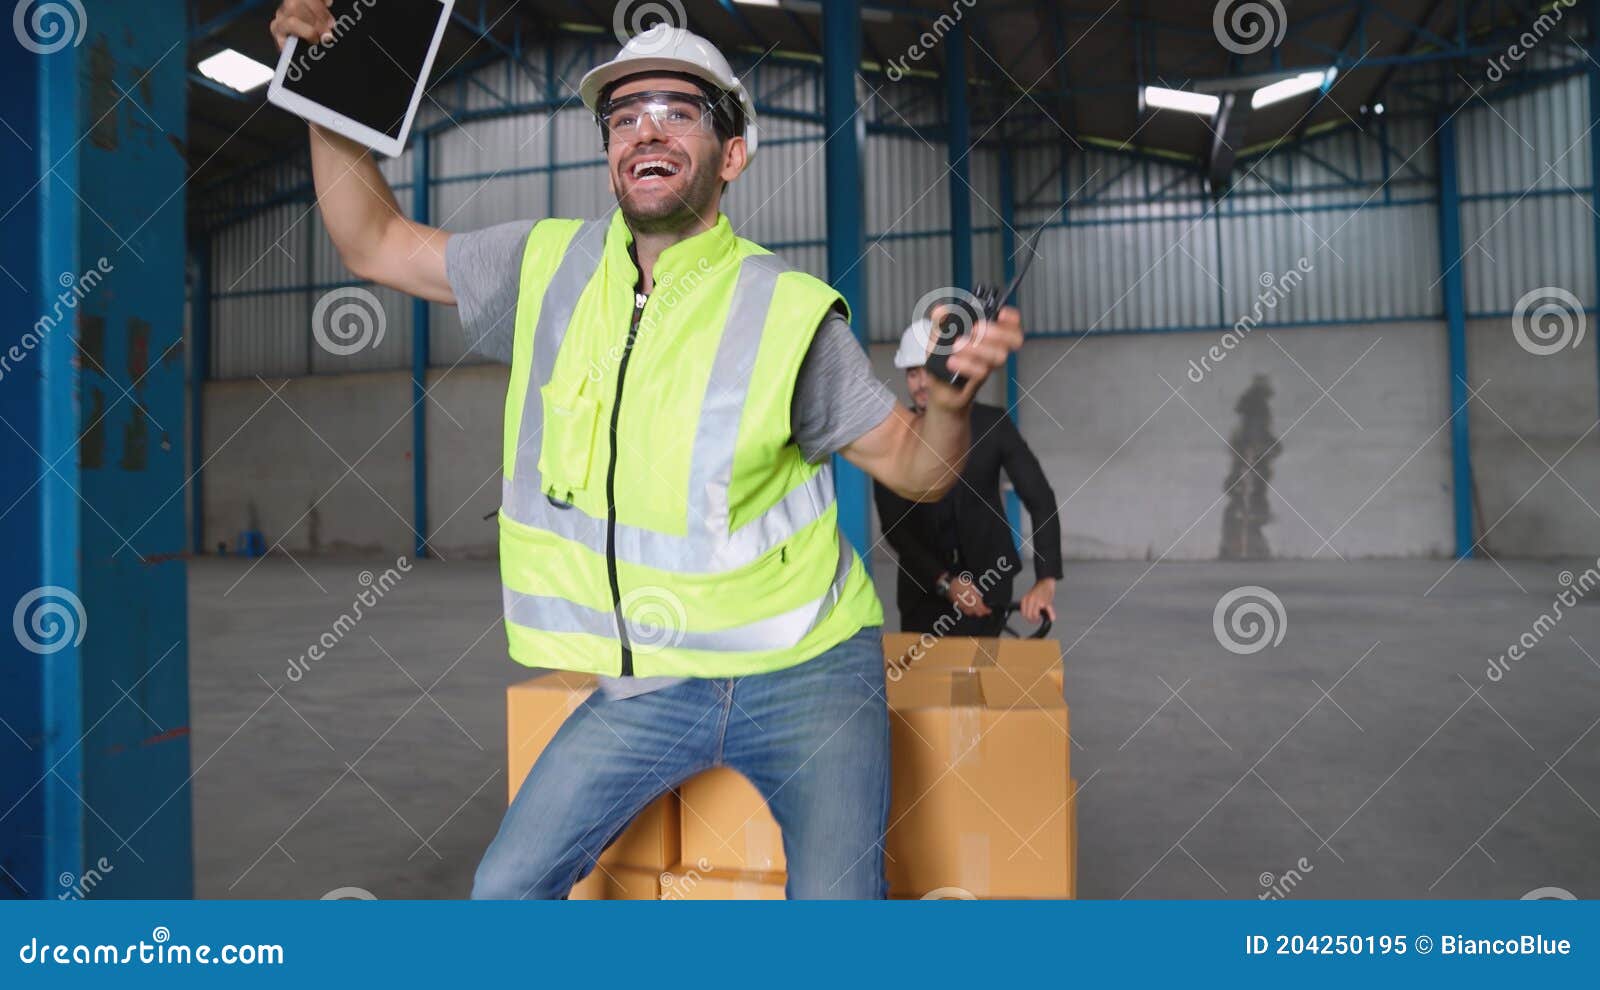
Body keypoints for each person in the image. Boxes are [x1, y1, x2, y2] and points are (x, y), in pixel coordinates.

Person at [270, 6, 1026, 899]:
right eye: (624, 116)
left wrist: (946, 404)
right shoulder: (546, 265)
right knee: (503, 893)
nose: (646, 130)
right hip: (653, 680)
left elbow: (920, 470)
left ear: (730, 154)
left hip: (807, 674)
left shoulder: (786, 311)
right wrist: (322, 87)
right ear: (609, 152)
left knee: (837, 921)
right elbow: (375, 243)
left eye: (677, 111)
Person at [874, 318, 1061, 636]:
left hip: (991, 582)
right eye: (912, 373)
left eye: (928, 371)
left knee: (980, 682)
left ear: (950, 370)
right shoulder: (895, 439)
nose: (921, 384)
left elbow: (1040, 498)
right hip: (925, 594)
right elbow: (896, 528)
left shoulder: (993, 425)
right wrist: (945, 582)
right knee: (926, 684)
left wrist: (1046, 579)